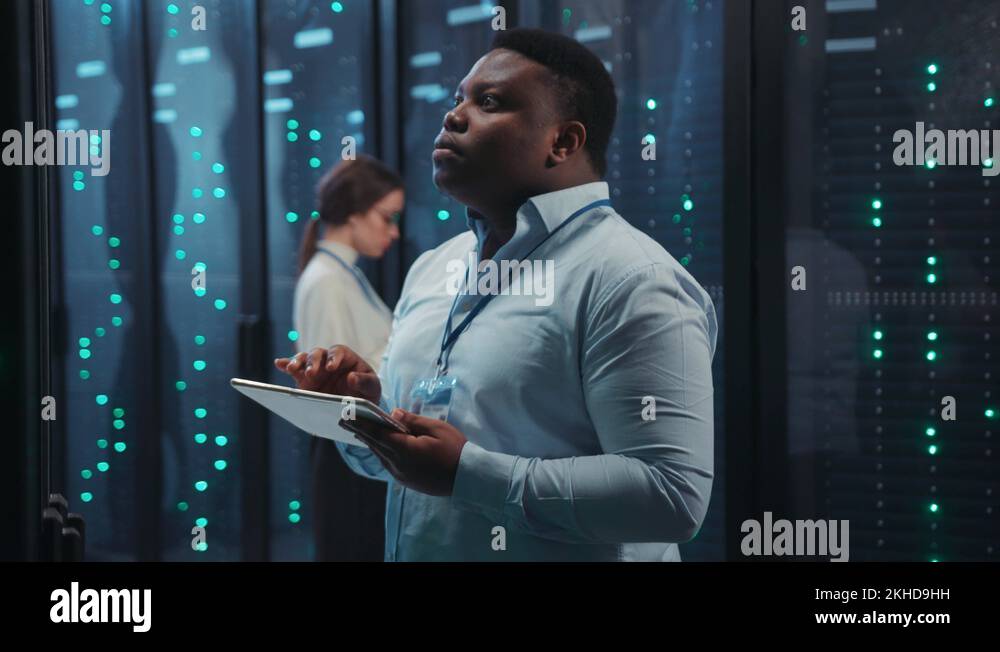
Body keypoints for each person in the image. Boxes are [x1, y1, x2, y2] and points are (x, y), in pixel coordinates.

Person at [277, 28, 717, 561]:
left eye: (488, 102)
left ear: (564, 142)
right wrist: (367, 414)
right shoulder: (433, 269)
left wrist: (470, 474)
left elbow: (672, 496)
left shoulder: (633, 279)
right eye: (457, 99)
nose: (454, 116)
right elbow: (405, 469)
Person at [292, 155, 402, 561]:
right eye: (386, 217)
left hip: (357, 445)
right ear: (355, 214)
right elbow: (334, 383)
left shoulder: (341, 275)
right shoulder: (327, 279)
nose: (392, 231)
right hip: (348, 446)